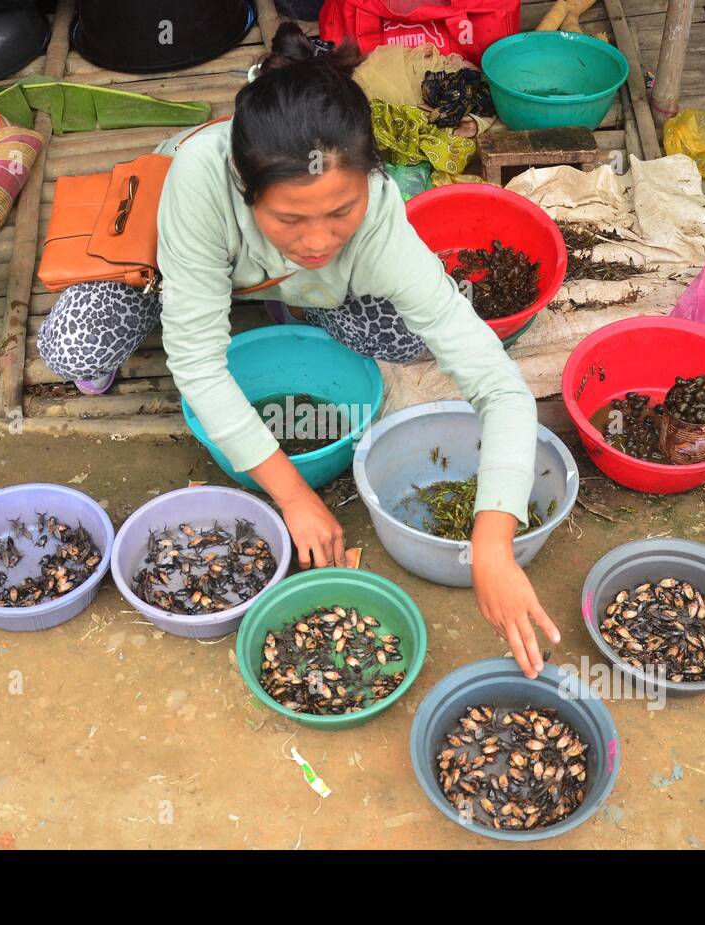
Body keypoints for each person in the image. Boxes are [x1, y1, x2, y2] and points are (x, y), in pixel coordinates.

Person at [36, 24, 559, 677]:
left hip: (284, 277)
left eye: (339, 211)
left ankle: (287, 299)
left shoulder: (378, 219)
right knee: (72, 345)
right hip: (181, 253)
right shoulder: (203, 179)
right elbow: (198, 363)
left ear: (370, 179)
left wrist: (493, 536)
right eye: (290, 218)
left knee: (406, 334)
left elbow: (497, 384)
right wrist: (293, 495)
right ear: (245, 187)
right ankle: (222, 293)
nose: (318, 237)